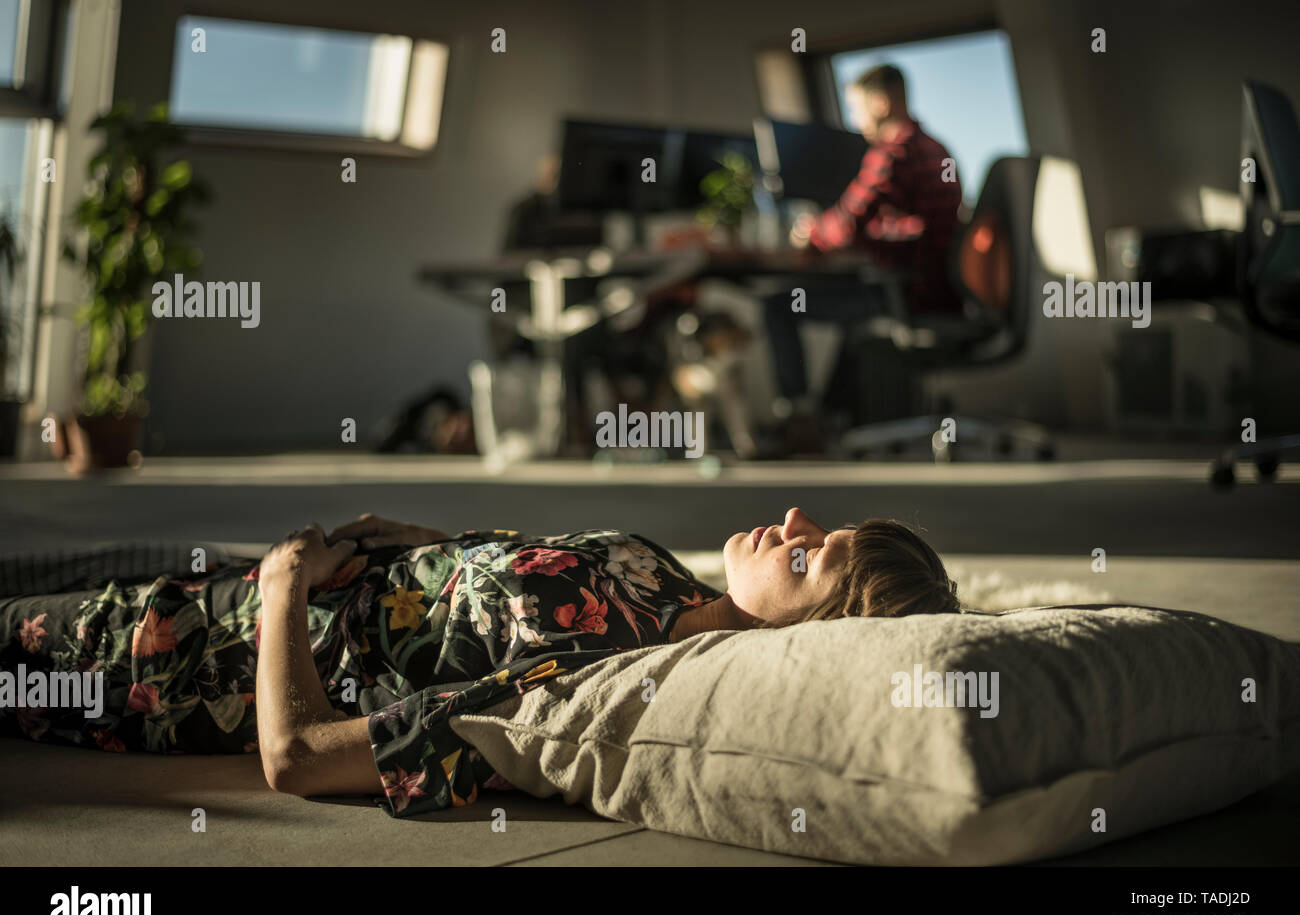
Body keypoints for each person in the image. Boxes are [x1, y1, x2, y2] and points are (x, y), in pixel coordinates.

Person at [1, 508, 959, 817]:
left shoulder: (592, 680)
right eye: (815, 526)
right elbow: (509, 580)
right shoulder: (665, 576)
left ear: (799, 641)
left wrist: (286, 586)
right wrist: (435, 544)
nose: (790, 524)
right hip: (217, 585)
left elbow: (294, 756)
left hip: (168, 660)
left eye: (806, 558)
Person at [763, 64, 964, 453]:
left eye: (856, 109)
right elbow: (915, 225)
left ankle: (801, 421)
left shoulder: (895, 150)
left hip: (908, 291)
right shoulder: (935, 148)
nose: (855, 121)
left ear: (882, 101)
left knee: (779, 305)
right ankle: (830, 417)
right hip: (937, 286)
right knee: (848, 323)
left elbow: (848, 222)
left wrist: (809, 234)